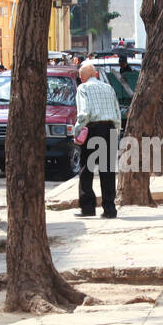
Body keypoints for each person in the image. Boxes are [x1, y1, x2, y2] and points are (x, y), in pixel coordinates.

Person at [73, 60, 122, 219]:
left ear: (82, 78)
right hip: (110, 129)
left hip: (93, 129)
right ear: (96, 74)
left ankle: (88, 208)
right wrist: (117, 131)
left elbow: (84, 112)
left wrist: (77, 130)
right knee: (108, 170)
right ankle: (109, 209)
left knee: (86, 169)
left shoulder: (83, 88)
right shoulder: (108, 88)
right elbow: (117, 111)